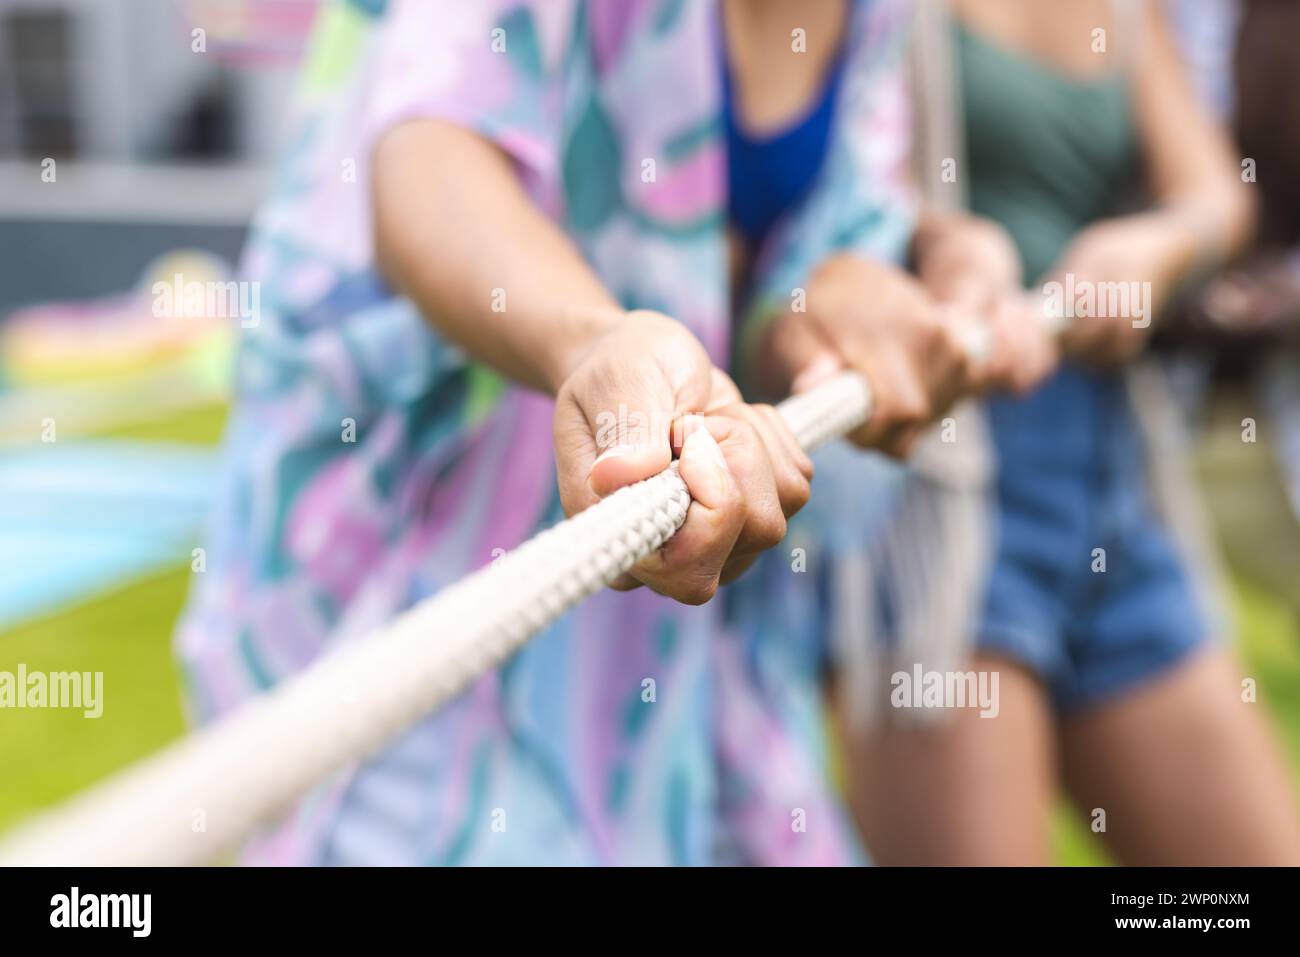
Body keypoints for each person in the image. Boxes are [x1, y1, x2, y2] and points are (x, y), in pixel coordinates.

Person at [176, 0, 1014, 865]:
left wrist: (847, 318)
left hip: (706, 660)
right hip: (415, 596)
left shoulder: (880, 17)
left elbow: (795, 270)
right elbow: (431, 155)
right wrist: (596, 342)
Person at [837, 0, 1300, 865]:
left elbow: (1213, 194)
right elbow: (824, 208)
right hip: (938, 502)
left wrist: (1158, 248)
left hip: (1114, 475)